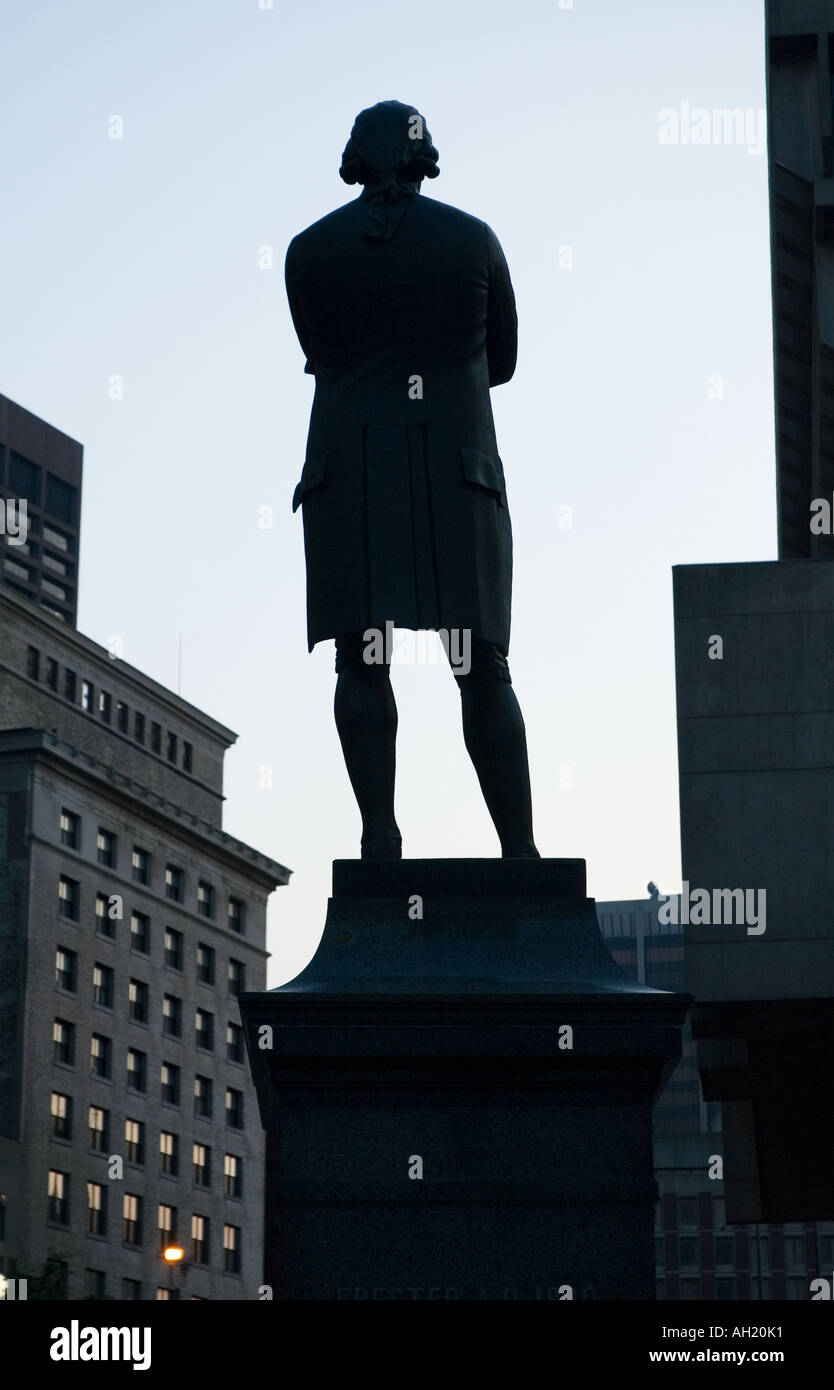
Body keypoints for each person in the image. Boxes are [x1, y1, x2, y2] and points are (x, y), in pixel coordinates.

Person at [286, 99, 539, 862]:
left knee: (360, 657)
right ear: (426, 156)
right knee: (480, 663)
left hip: (353, 468)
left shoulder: (311, 251)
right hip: (453, 470)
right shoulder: (472, 242)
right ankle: (520, 853)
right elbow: (504, 362)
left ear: (357, 157)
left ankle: (379, 838)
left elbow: (320, 349)